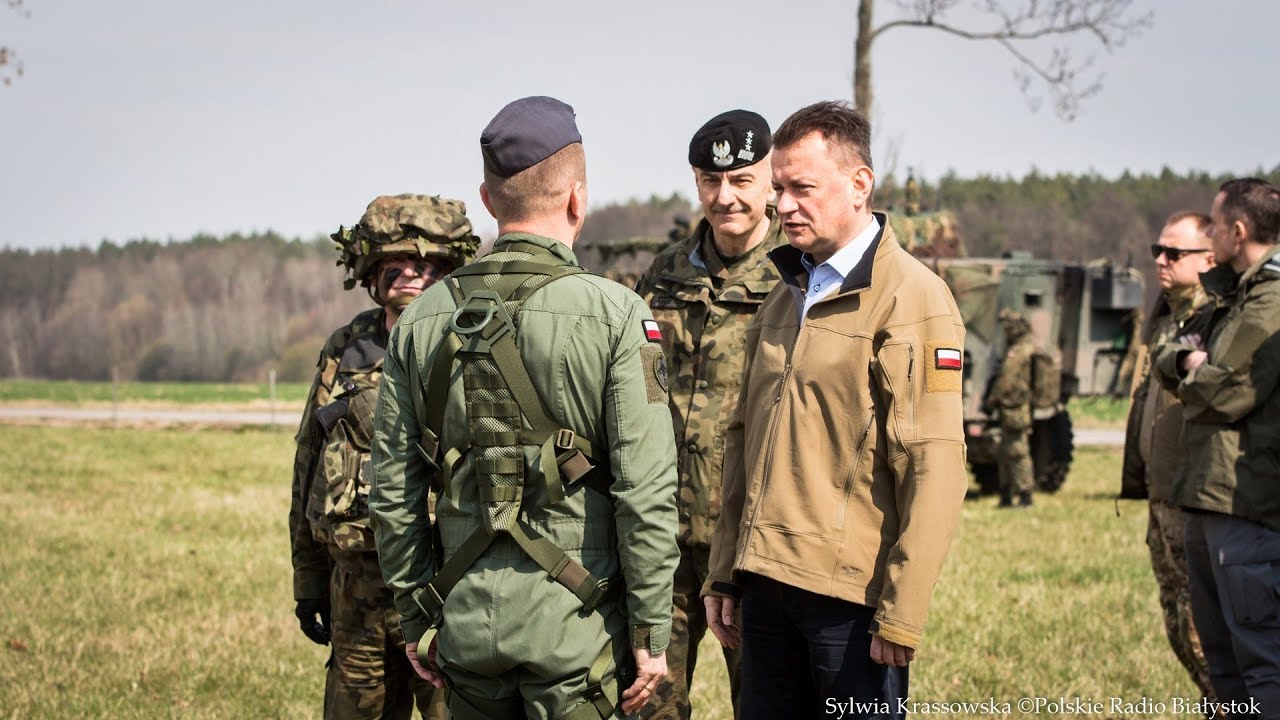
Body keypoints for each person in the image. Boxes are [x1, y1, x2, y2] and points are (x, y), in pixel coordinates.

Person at [368, 96, 680, 720]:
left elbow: (393, 492)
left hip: (464, 623)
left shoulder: (419, 321)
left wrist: (414, 611)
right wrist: (649, 635)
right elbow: (645, 490)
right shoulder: (617, 315)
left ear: (487, 201)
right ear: (577, 199)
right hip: (579, 631)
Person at [701, 100, 968, 719]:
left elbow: (935, 464)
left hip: (849, 604)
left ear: (859, 185)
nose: (783, 206)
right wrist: (724, 571)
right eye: (779, 189)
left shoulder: (914, 299)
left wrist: (902, 612)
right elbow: (744, 440)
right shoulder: (784, 293)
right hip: (765, 588)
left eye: (801, 189)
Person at [290, 193, 479, 720]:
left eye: (426, 266)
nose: (410, 276)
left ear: (448, 273)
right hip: (358, 593)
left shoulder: (474, 346)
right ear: (370, 275)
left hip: (449, 588)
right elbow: (308, 468)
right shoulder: (345, 350)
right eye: (394, 266)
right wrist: (308, 582)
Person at [634, 109, 786, 720]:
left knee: (768, 702)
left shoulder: (797, 275)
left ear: (771, 182)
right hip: (661, 541)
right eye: (709, 181)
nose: (724, 198)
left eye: (742, 181)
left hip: (752, 541)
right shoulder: (663, 275)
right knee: (649, 704)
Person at [1152, 178, 1280, 717]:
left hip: (1244, 503)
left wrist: (1198, 373)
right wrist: (1190, 364)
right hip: (1209, 496)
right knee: (1224, 666)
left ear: (1238, 229)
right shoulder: (1233, 293)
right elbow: (1168, 355)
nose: (1211, 231)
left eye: (1216, 222)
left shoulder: (1269, 300)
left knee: (1260, 661)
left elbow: (1226, 392)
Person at [1119, 212, 1217, 702]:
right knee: (1178, 622)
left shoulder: (1216, 319)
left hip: (1191, 498)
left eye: (1174, 253)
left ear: (1210, 257)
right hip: (1162, 498)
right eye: (1158, 251)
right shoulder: (1169, 317)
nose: (1160, 260)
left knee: (1201, 626)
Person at [986, 308, 1037, 508]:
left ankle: (1025, 494)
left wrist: (991, 400)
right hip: (1011, 408)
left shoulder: (1020, 351)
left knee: (1017, 451)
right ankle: (1007, 493)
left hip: (1015, 408)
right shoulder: (1019, 348)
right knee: (1005, 451)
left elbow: (1007, 379)